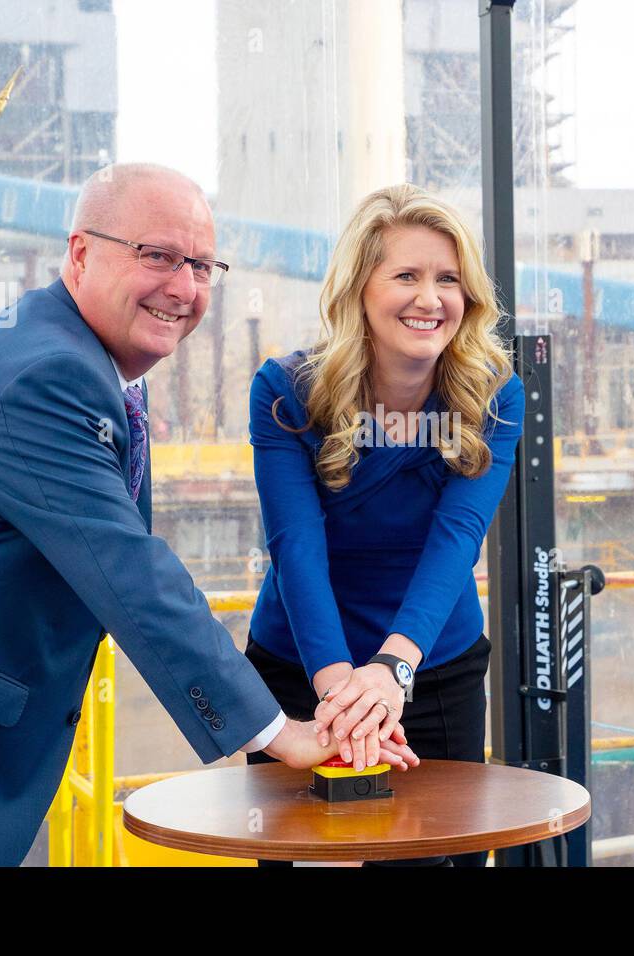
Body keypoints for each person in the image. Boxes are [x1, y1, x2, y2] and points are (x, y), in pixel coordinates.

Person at [0, 163, 413, 867]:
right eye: (157, 256)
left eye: (201, 265)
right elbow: (131, 574)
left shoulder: (91, 368)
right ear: (79, 253)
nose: (183, 287)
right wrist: (277, 731)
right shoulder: (47, 376)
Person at [245, 184, 524, 867]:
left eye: (448, 279)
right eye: (406, 275)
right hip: (301, 670)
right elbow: (295, 549)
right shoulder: (285, 390)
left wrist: (393, 671)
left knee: (434, 859)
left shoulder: (496, 392)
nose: (430, 299)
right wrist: (344, 692)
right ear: (359, 289)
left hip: (432, 668)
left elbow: (457, 539)